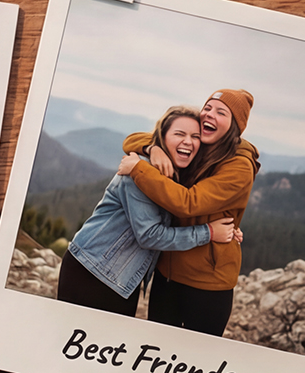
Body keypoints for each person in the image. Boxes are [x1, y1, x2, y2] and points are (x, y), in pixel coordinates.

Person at [54, 107, 241, 315]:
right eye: (180, 134)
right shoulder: (139, 172)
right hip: (92, 271)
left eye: (195, 136)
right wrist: (209, 232)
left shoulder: (176, 175)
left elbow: (188, 205)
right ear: (162, 137)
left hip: (121, 277)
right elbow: (150, 236)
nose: (188, 141)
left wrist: (229, 228)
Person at [116, 89, 261, 335]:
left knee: (194, 361)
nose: (209, 114)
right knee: (155, 349)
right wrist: (154, 149)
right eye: (208, 108)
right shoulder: (202, 145)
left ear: (235, 124)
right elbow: (131, 139)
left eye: (221, 112)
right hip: (168, 273)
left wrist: (139, 168)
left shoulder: (238, 166)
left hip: (207, 284)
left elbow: (189, 203)